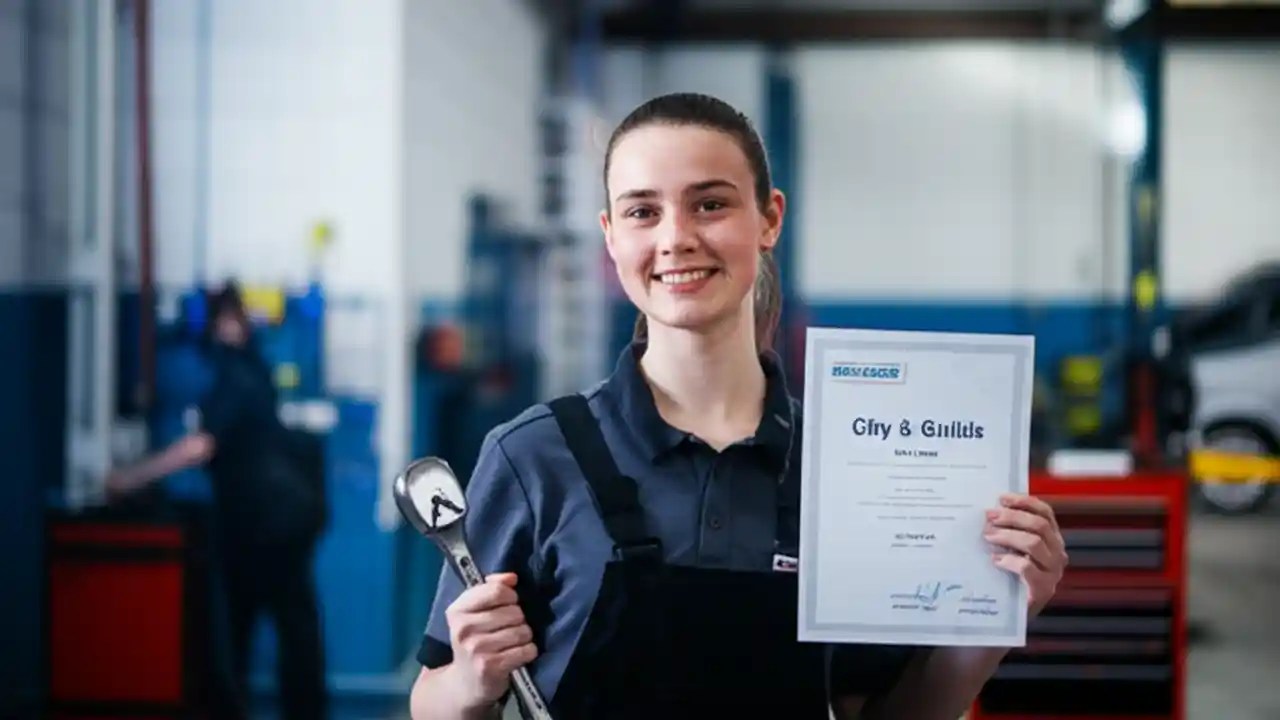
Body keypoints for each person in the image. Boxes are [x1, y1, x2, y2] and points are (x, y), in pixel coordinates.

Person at [408, 93, 1069, 719]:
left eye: (710, 204)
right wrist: (470, 679)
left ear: (769, 219)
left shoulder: (847, 465)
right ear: (611, 236)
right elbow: (431, 702)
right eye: (643, 211)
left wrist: (988, 627)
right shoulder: (534, 457)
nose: (676, 238)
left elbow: (885, 713)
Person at [106, 282, 329, 720]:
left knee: (248, 626)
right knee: (290, 627)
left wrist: (131, 478)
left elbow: (199, 448)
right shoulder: (255, 367)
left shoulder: (233, 376)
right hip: (287, 516)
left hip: (264, 522)